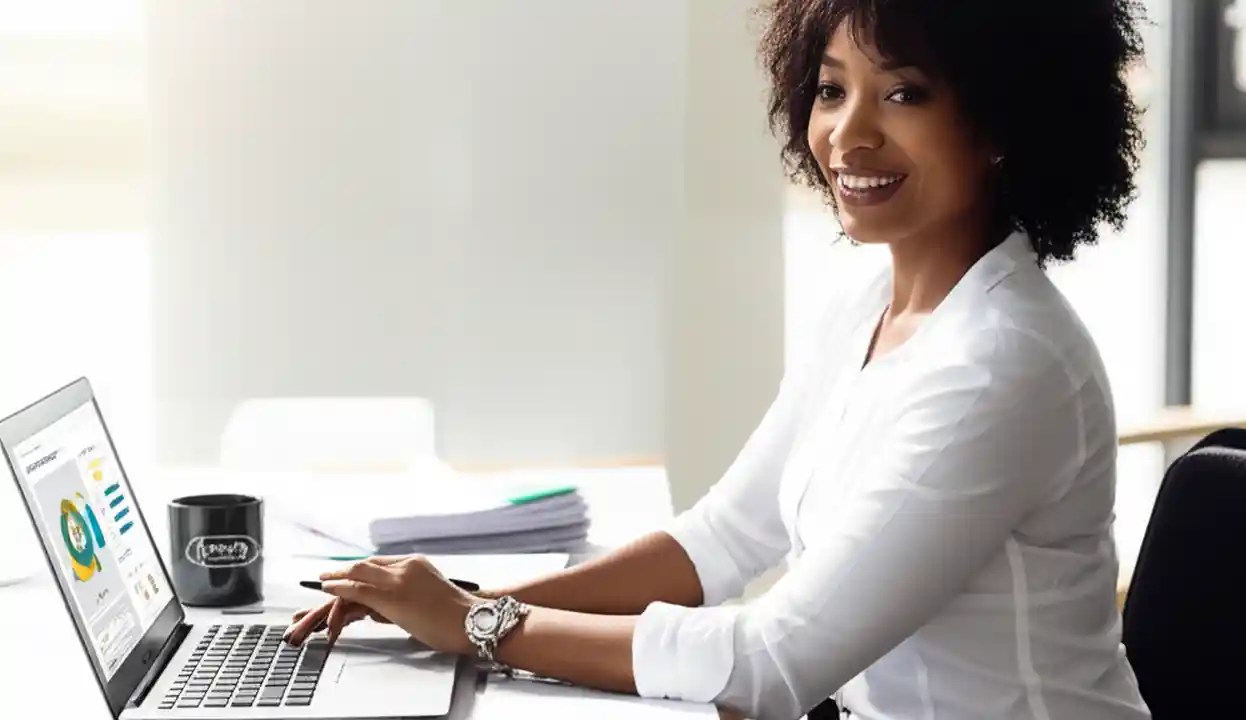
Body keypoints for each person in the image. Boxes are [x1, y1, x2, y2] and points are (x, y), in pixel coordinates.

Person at [286, 1, 1152, 718]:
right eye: (830, 90)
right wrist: (450, 609)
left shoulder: (1002, 366)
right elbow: (721, 541)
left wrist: (478, 624)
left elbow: (773, 661)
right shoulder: (869, 309)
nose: (848, 135)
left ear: (1003, 120)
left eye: (904, 95)